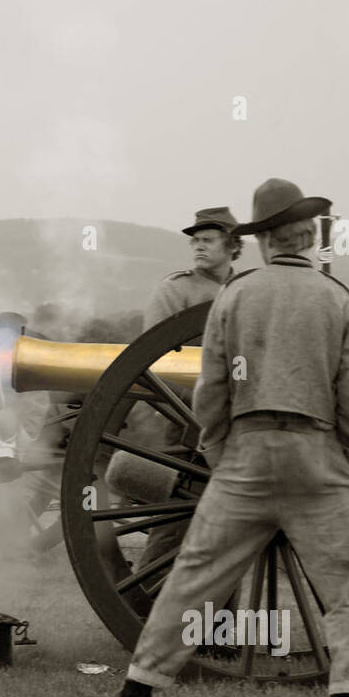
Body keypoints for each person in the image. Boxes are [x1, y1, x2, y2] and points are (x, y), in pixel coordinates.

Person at [113, 178, 349, 697]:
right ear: (307, 236)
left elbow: (210, 393)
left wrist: (220, 456)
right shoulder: (337, 299)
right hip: (317, 456)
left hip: (245, 455)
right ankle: (348, 696)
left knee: (195, 570)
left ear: (261, 241)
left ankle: (139, 687)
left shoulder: (235, 296)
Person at [100, 208, 242, 591]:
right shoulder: (175, 291)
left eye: (207, 240)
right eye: (194, 241)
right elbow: (154, 364)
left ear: (233, 245)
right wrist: (198, 411)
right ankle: (148, 606)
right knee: (175, 522)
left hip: (242, 423)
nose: (198, 247)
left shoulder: (247, 290)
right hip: (184, 426)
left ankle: (219, 632)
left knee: (231, 531)